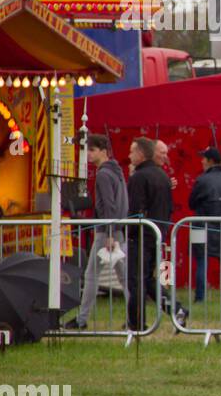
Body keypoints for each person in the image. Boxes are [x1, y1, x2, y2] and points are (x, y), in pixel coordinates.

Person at [67, 136, 129, 329]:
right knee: (125, 277)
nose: (89, 154)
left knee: (92, 275)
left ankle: (81, 319)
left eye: (92, 150)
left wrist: (109, 232)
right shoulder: (117, 172)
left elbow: (108, 205)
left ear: (103, 151)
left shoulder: (103, 174)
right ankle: (135, 317)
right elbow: (122, 203)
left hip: (107, 232)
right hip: (116, 229)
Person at [126, 136, 178, 330]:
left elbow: (135, 209)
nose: (129, 155)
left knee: (137, 282)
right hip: (157, 234)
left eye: (132, 151)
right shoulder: (163, 176)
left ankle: (136, 324)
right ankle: (176, 309)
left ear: (140, 153)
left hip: (140, 236)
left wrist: (129, 231)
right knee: (148, 280)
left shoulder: (139, 177)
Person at [188, 147, 221, 302]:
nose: (201, 161)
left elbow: (191, 203)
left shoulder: (202, 179)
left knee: (201, 261)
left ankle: (200, 297)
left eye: (203, 158)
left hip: (201, 224)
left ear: (210, 161)